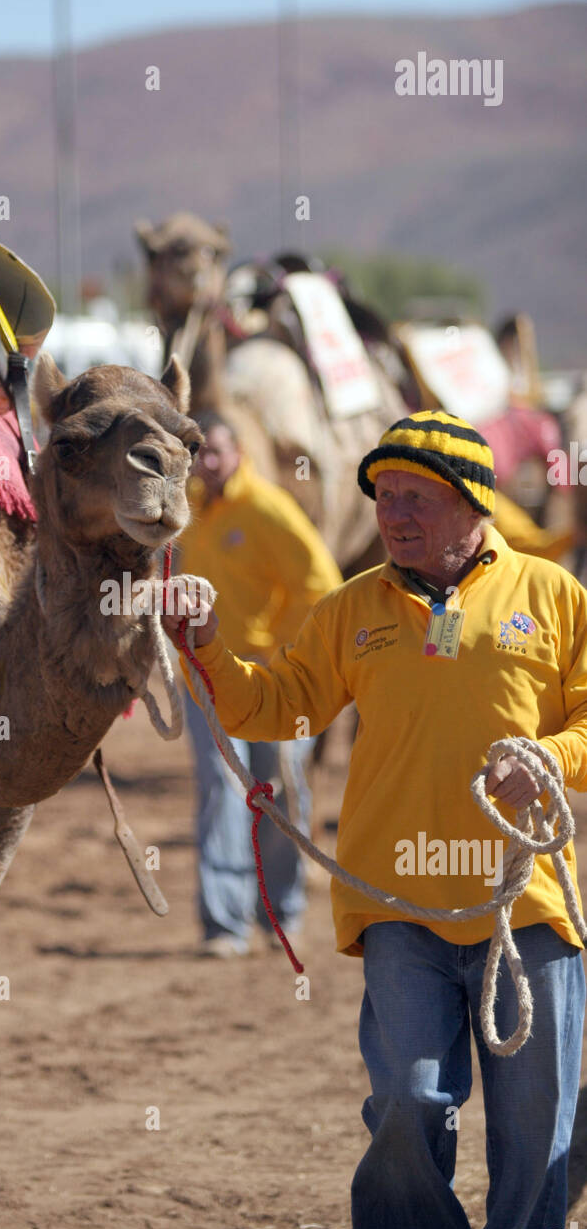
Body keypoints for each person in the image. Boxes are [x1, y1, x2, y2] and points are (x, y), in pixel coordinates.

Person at [163, 409, 587, 1229]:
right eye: (384, 496)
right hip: (397, 906)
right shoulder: (351, 608)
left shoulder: (553, 594)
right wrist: (206, 648)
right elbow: (274, 707)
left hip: (524, 909)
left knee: (539, 1124)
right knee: (404, 1104)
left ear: (473, 503)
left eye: (415, 498)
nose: (392, 515)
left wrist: (549, 756)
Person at [177, 410, 341, 957]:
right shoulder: (185, 512)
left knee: (279, 787)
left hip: (269, 676)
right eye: (198, 453)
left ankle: (283, 911)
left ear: (240, 453)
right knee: (220, 789)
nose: (207, 463)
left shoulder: (269, 507)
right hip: (203, 673)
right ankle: (224, 924)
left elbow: (321, 585)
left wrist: (280, 653)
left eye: (215, 451)